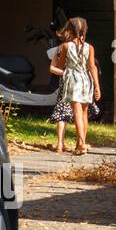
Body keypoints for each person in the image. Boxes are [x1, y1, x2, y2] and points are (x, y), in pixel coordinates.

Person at [53, 16, 101, 155]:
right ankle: (81, 143)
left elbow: (61, 66)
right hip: (87, 81)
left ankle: (82, 144)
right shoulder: (90, 47)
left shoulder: (66, 46)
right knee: (85, 113)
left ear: (70, 30)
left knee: (77, 112)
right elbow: (92, 67)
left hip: (73, 80)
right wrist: (97, 86)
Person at [47, 22, 75, 153]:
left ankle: (59, 144)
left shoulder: (59, 48)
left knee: (62, 112)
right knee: (80, 112)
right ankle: (81, 144)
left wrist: (64, 73)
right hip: (77, 82)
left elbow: (52, 68)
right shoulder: (80, 48)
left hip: (65, 83)